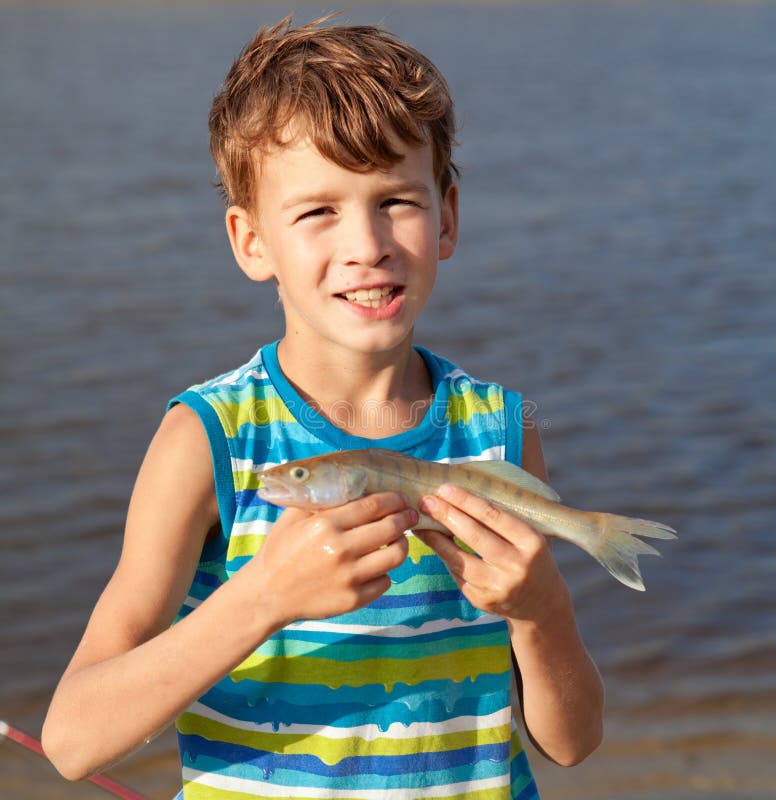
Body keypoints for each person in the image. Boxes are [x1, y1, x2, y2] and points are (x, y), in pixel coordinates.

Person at [43, 15, 603, 799]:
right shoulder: (207, 440)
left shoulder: (502, 430)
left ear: (447, 217)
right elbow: (73, 740)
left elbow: (572, 743)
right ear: (251, 242)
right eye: (317, 212)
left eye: (396, 201)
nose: (367, 245)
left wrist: (543, 609)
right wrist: (262, 599)